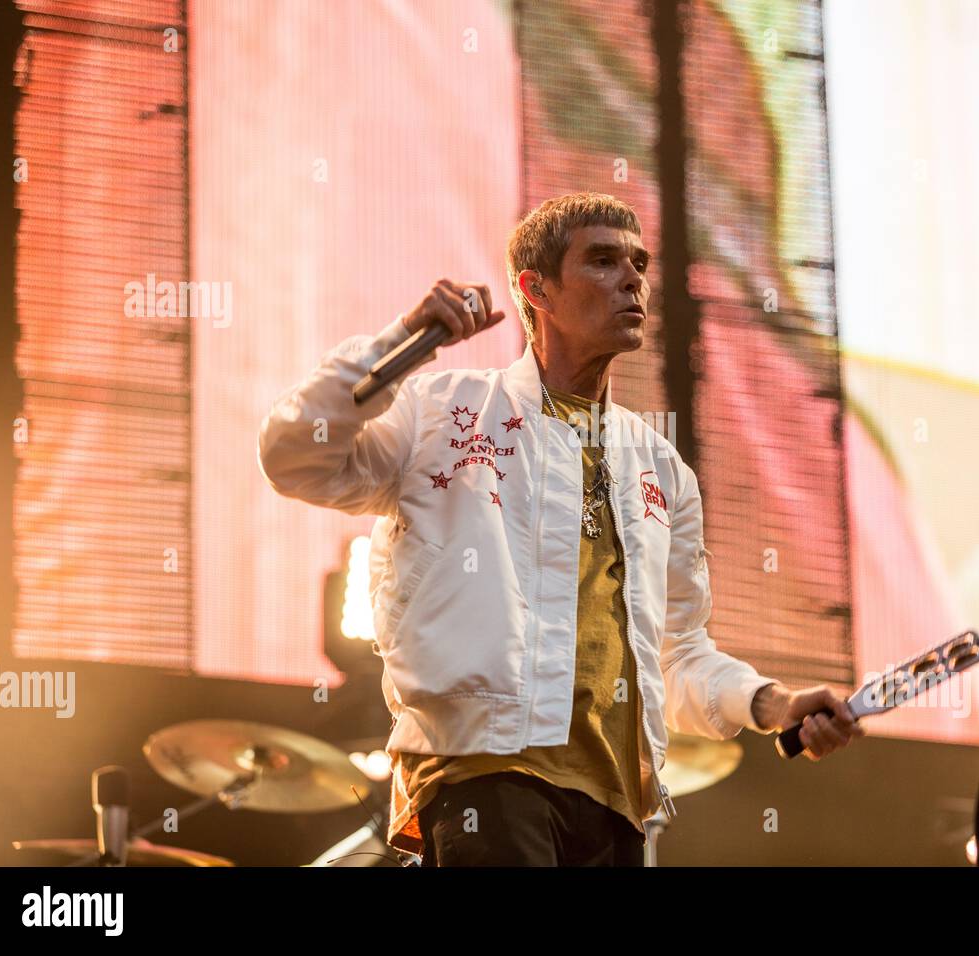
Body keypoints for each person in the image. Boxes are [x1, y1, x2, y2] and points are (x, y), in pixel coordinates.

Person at [257, 192, 863, 866]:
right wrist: (402, 344)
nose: (632, 278)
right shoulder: (445, 412)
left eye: (639, 263)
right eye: (603, 261)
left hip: (619, 807)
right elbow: (294, 455)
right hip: (484, 772)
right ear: (534, 289)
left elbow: (677, 653)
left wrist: (772, 702)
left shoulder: (661, 468)